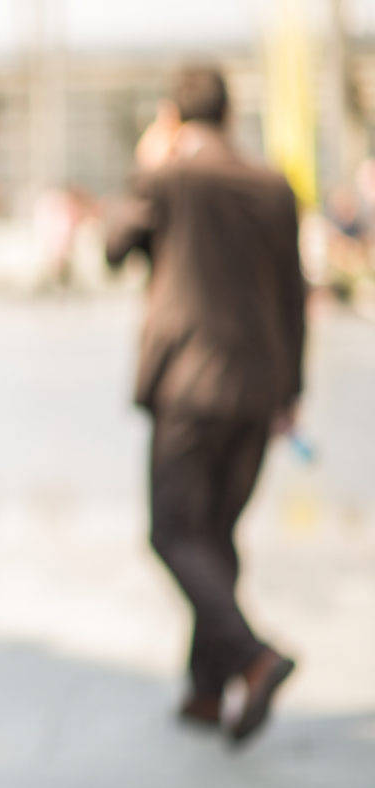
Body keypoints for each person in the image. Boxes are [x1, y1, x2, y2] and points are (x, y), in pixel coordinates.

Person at [106, 66, 304, 744]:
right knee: (214, 533)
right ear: (231, 111)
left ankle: (253, 657)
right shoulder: (273, 183)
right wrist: (293, 393)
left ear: (172, 116)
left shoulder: (169, 179)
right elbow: (293, 292)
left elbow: (112, 248)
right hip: (260, 388)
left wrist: (145, 166)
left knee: (173, 532)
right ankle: (205, 688)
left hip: (189, 386)